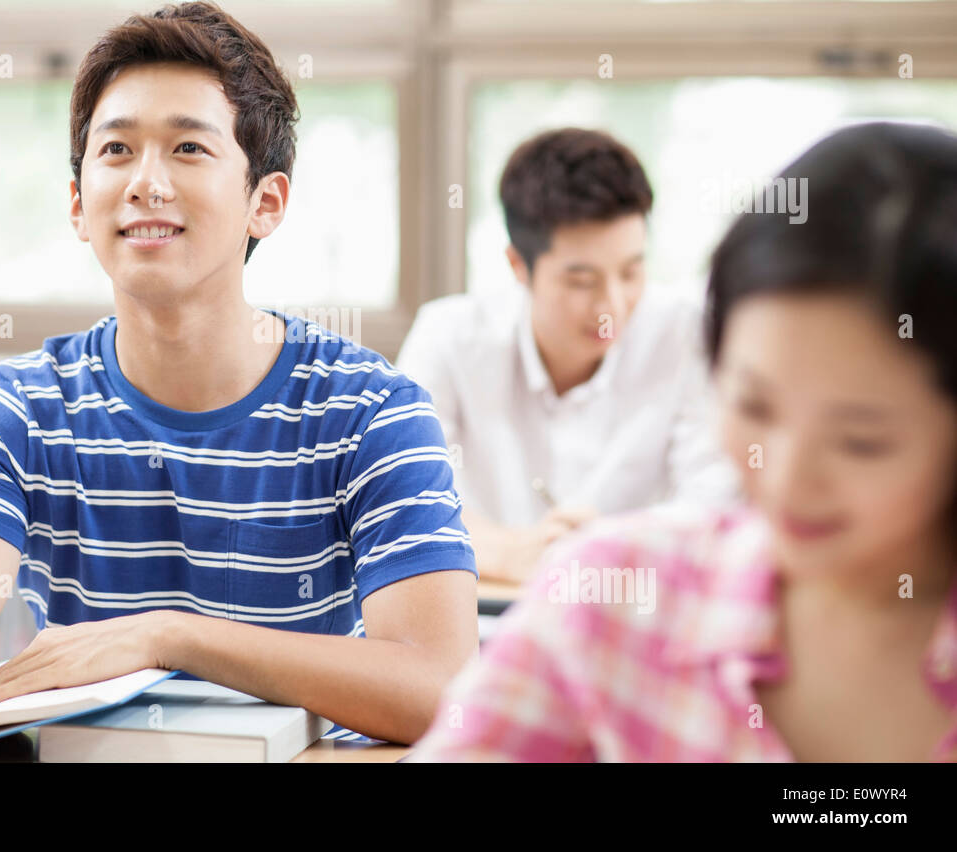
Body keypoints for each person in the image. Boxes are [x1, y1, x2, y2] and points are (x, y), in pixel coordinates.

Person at [0, 1, 478, 745]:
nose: (145, 183)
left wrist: (169, 637)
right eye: (116, 150)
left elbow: (440, 690)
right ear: (77, 205)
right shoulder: (24, 408)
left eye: (189, 149)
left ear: (266, 202)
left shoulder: (372, 411)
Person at [409, 121, 957, 761]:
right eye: (753, 406)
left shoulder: (677, 333)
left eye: (860, 441)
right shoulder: (605, 606)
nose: (784, 481)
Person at [396, 127, 738, 583]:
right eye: (581, 281)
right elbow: (402, 501)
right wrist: (507, 552)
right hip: (485, 623)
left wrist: (609, 549)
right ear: (518, 266)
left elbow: (719, 505)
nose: (611, 306)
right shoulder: (449, 336)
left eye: (632, 271)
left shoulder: (686, 333)